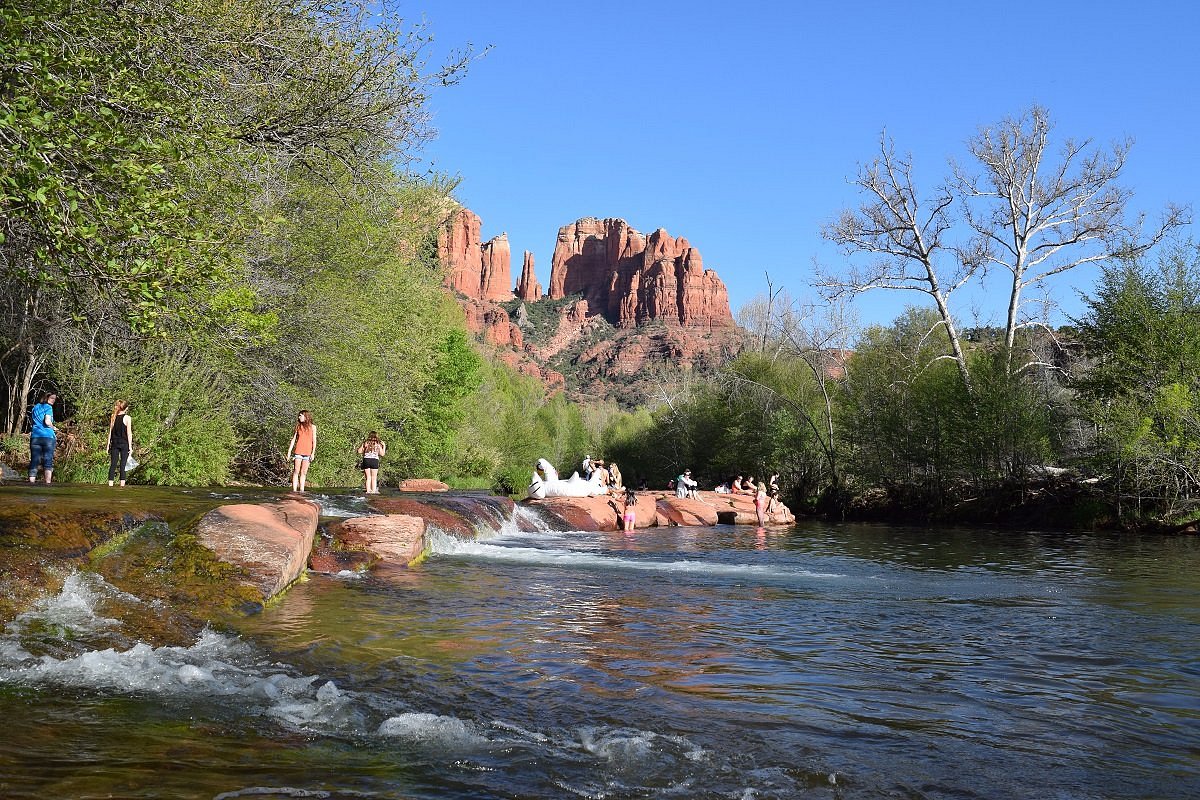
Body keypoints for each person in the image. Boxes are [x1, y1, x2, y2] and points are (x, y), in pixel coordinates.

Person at [28, 392, 57, 484]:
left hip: (35, 437)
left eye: (54, 399)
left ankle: (31, 484)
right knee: (48, 460)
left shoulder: (35, 407)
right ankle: (47, 484)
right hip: (48, 437)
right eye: (52, 398)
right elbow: (47, 422)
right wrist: (54, 427)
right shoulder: (48, 407)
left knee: (34, 460)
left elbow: (33, 422)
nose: (53, 400)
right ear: (46, 397)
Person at [286, 410, 316, 492]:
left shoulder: (313, 427)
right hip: (298, 452)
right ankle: (294, 491)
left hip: (307, 453)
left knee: (303, 473)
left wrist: (313, 453)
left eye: (300, 415)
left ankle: (302, 491)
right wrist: (289, 452)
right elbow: (293, 440)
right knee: (296, 471)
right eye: (299, 416)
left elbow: (314, 441)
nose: (299, 417)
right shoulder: (298, 426)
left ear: (306, 416)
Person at [106, 400, 133, 487]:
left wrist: (107, 446)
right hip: (124, 444)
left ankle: (110, 486)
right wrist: (130, 447)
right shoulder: (128, 418)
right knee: (123, 466)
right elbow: (129, 433)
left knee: (113, 465)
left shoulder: (113, 416)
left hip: (114, 444)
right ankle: (122, 488)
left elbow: (110, 432)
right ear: (126, 408)